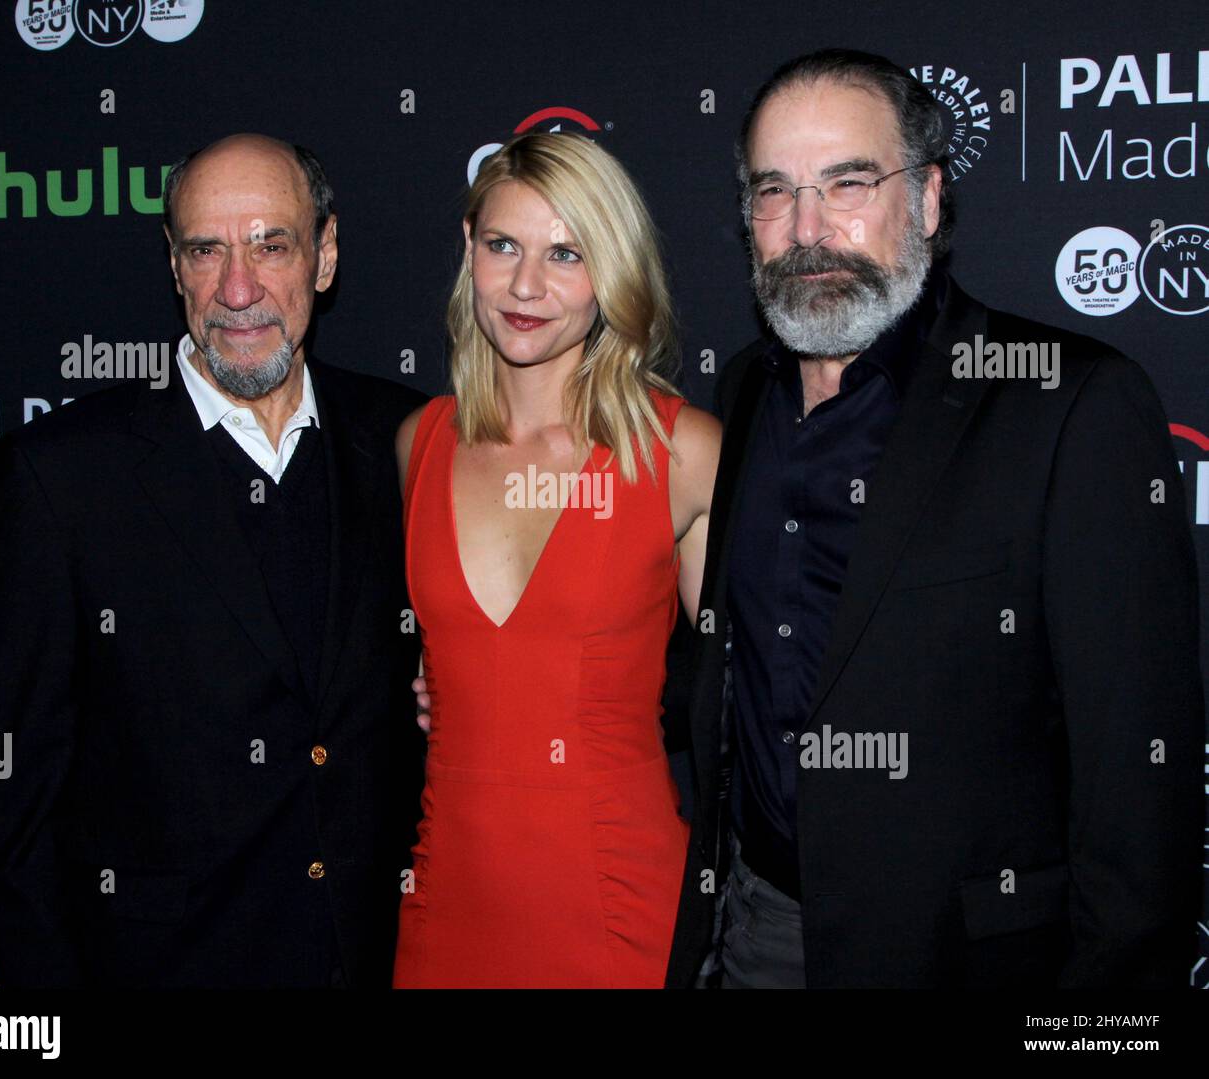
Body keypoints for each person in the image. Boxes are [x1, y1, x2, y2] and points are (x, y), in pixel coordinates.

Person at [666, 49, 1203, 989]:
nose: (807, 229)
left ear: (926, 200)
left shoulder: (1069, 404)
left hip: (964, 962)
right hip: (754, 936)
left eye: (848, 184)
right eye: (774, 191)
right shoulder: (744, 390)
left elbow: (1137, 798)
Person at [0, 134, 427, 988]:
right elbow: (14, 802)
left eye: (271, 244)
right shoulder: (63, 475)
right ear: (175, 267)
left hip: (382, 959)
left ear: (325, 255)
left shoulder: (411, 439)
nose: (238, 288)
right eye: (206, 250)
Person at [393, 132, 721, 988]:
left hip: (617, 903)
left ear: (611, 272)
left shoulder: (677, 451)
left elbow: (754, 689)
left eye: (565, 253)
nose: (526, 285)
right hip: (445, 901)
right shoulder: (419, 444)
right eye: (503, 245)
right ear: (470, 251)